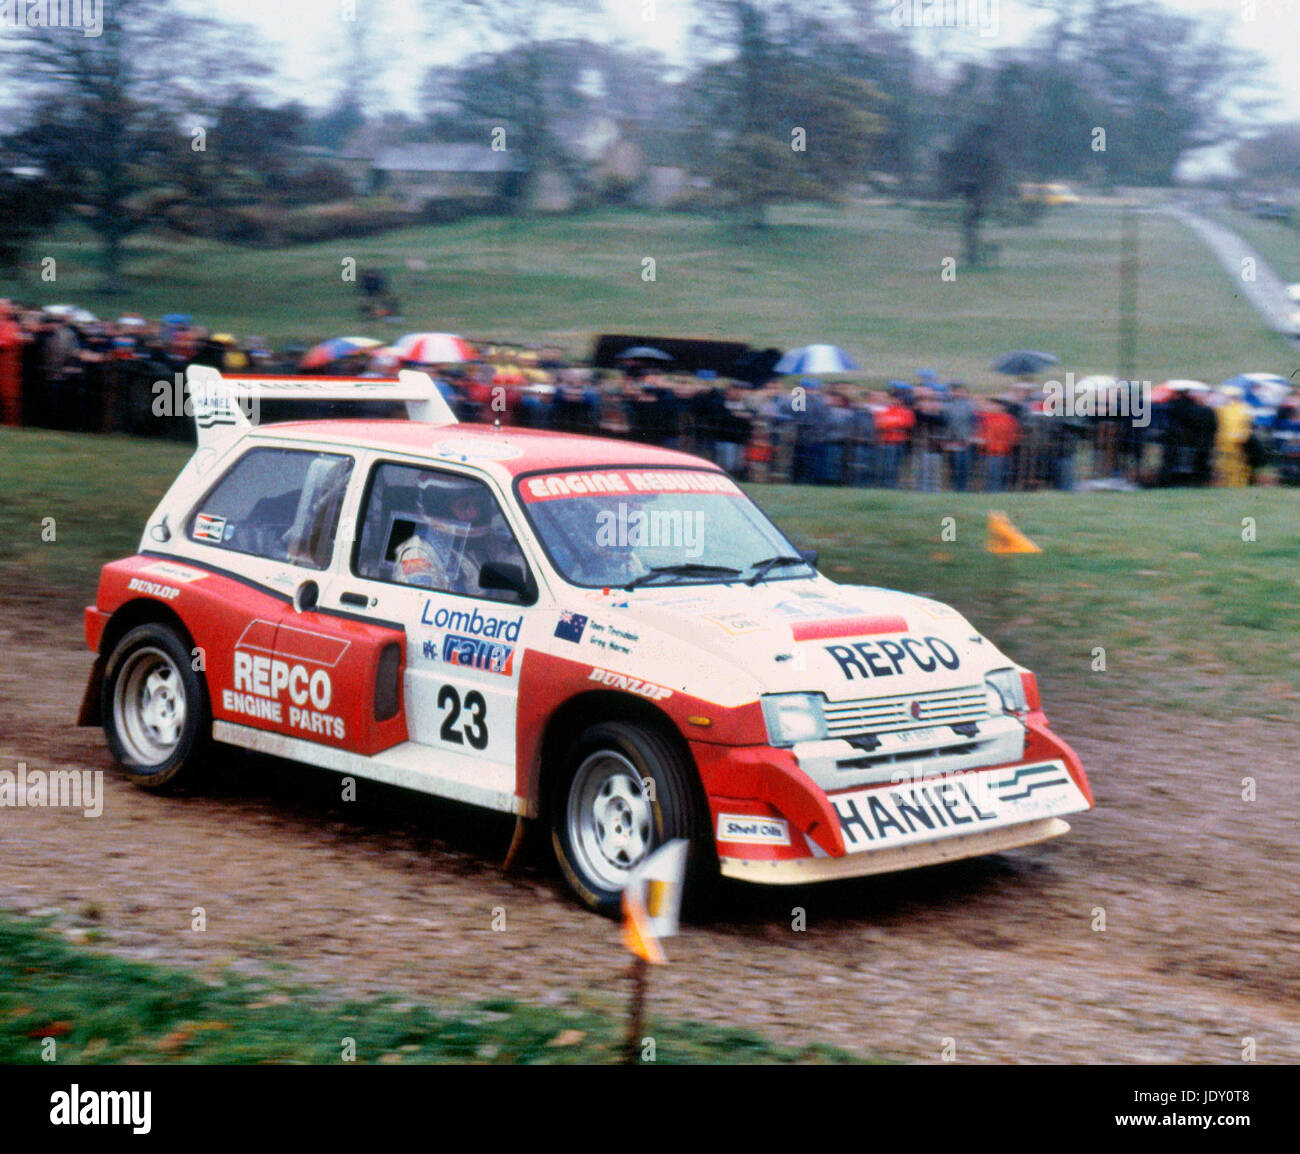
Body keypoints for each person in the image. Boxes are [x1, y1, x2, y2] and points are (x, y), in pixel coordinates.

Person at [394, 478, 515, 596]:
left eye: (477, 505)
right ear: (440, 509)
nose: (474, 513)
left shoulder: (487, 542)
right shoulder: (418, 554)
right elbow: (422, 606)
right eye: (463, 506)